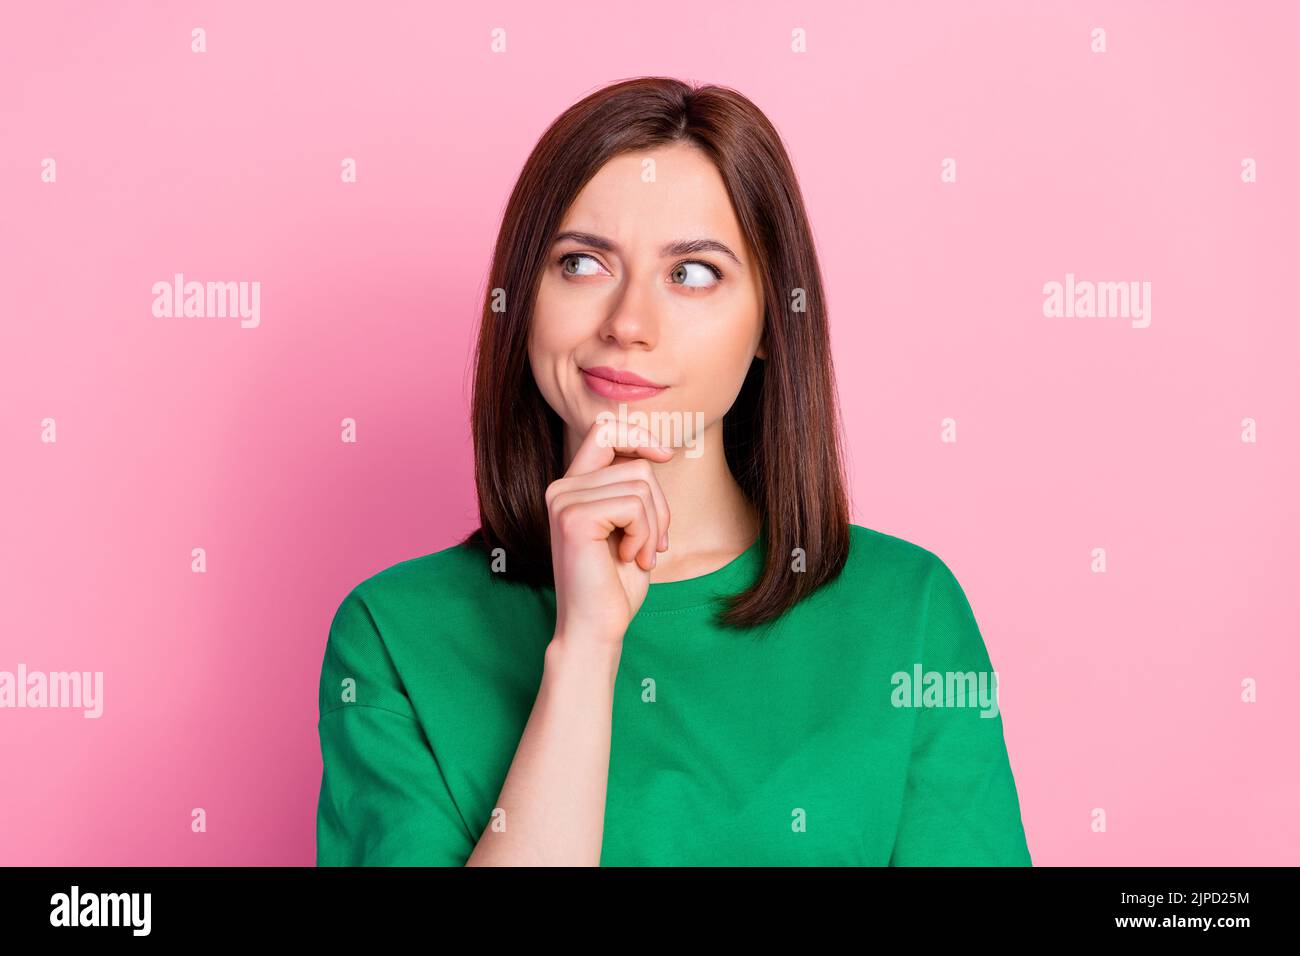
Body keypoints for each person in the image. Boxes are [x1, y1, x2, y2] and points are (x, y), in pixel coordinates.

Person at [315, 76, 1032, 866]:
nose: (628, 323)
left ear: (770, 322)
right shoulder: (392, 634)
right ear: (522, 298)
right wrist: (585, 649)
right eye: (582, 263)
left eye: (692, 274)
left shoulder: (910, 611)